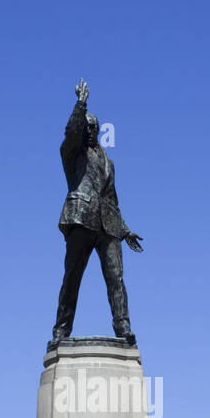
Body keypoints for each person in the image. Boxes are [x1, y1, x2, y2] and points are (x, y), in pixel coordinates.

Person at [49, 79, 144, 352]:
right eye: (87, 127)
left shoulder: (108, 163)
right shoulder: (71, 154)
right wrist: (81, 104)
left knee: (116, 278)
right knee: (72, 278)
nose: (91, 131)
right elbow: (71, 132)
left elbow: (112, 199)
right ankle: (61, 330)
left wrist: (124, 230)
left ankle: (123, 327)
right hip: (80, 218)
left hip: (107, 226)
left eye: (94, 127)